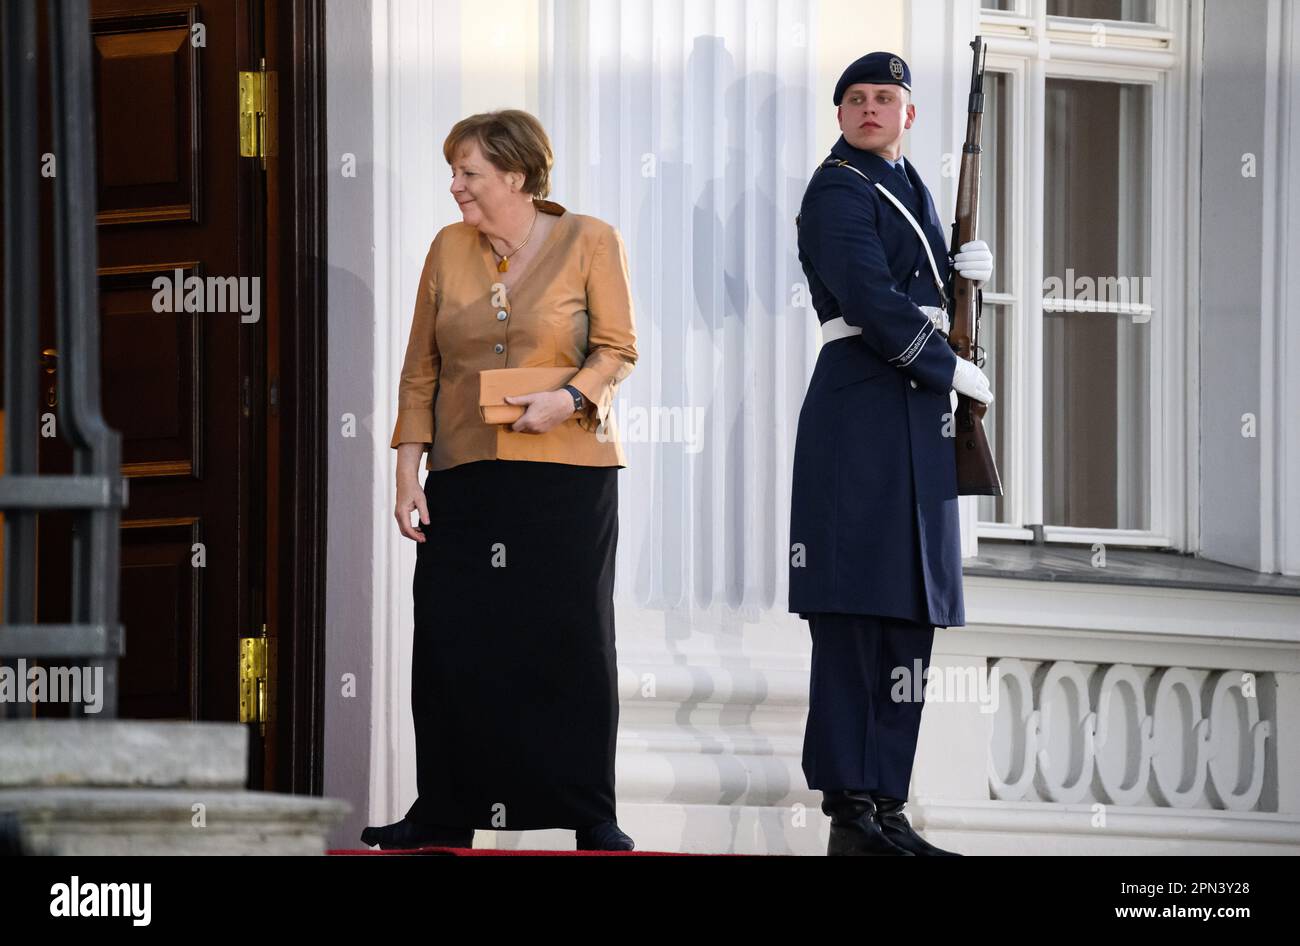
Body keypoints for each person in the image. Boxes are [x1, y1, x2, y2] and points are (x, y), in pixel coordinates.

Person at [363, 109, 638, 851]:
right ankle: (444, 811)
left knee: (570, 639)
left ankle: (591, 814)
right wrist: (405, 471)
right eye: (453, 173)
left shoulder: (591, 239)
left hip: (566, 475)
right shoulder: (447, 249)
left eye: (469, 173)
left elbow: (617, 350)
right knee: (454, 640)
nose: (456, 187)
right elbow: (421, 367)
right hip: (465, 472)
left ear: (515, 175)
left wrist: (570, 398)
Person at [789, 52, 994, 856]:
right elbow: (872, 298)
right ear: (840, 115)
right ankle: (850, 812)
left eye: (887, 98)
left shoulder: (909, 187)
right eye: (857, 98)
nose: (871, 108)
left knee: (910, 613)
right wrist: (948, 360)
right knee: (853, 611)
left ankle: (887, 804)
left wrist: (960, 277)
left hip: (915, 421)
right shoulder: (837, 186)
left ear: (910, 116)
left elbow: (919, 292)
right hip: (861, 410)